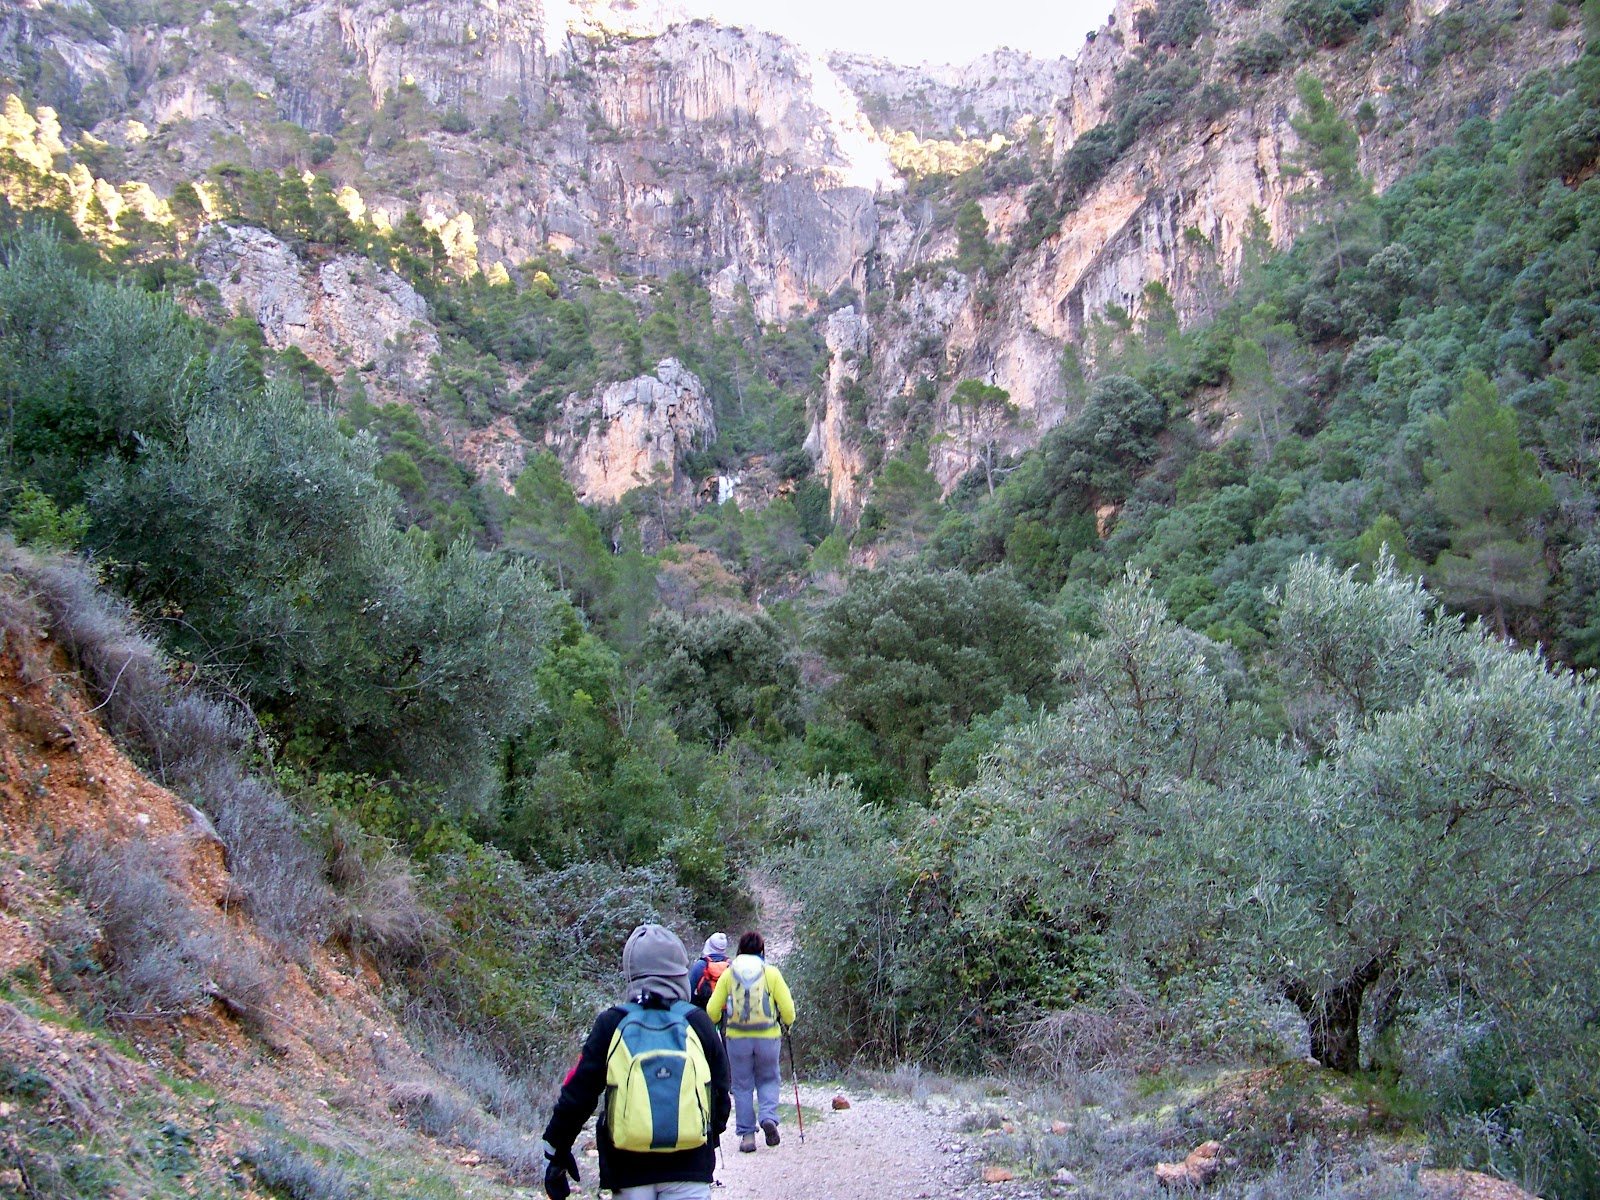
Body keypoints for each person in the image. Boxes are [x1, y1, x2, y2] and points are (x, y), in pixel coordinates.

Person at [541, 923, 731, 1200]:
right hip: (690, 1169)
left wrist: (557, 1151)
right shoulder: (697, 1022)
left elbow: (578, 1093)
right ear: (678, 971)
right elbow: (721, 1089)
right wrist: (708, 1137)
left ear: (631, 973)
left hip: (628, 1171)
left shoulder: (612, 1023)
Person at [705, 931, 796, 1153]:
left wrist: (717, 1022)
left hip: (737, 1038)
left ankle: (747, 1136)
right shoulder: (771, 973)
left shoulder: (729, 973)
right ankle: (768, 1118)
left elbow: (711, 1010)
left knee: (742, 1086)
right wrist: (787, 1023)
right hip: (767, 1037)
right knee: (768, 1079)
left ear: (739, 950)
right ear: (762, 950)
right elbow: (788, 1010)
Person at [688, 932, 730, 1009]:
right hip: (728, 1013)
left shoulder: (700, 965)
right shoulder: (731, 965)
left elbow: (688, 993)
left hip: (705, 1012)